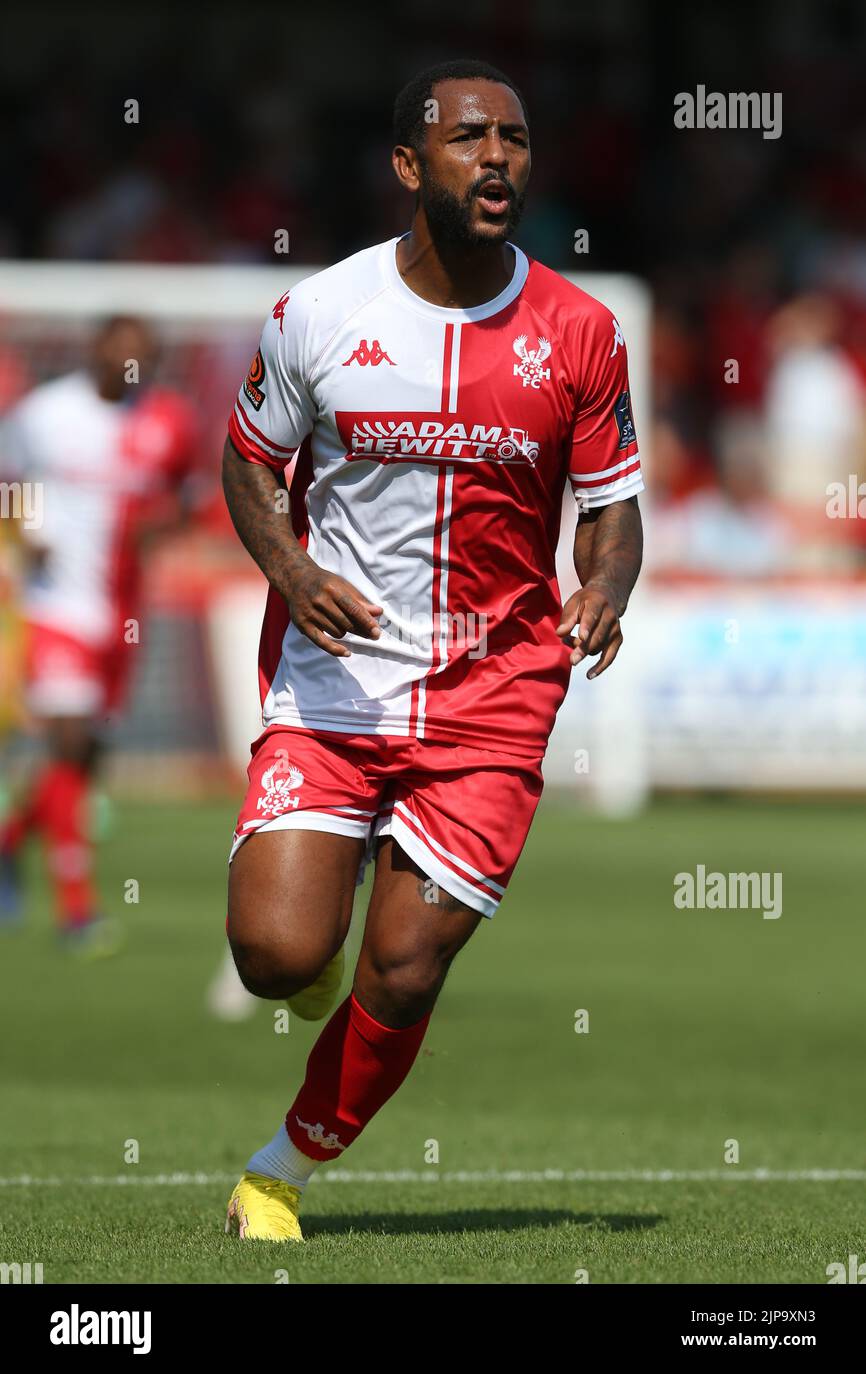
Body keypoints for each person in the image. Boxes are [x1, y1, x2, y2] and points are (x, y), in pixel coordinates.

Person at [222, 60, 643, 1241]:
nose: (498, 157)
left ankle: (278, 1169)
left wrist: (602, 585)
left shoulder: (581, 331)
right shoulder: (319, 312)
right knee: (273, 953)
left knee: (402, 969)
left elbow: (612, 509)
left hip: (496, 688)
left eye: (513, 136)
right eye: (468, 138)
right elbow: (246, 459)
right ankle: (312, 920)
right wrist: (293, 572)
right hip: (338, 678)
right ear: (410, 165)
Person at [0, 317, 198, 951]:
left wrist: (162, 524)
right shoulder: (44, 415)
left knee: (86, 756)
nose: (130, 367)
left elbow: (187, 496)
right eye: (121, 355)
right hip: (54, 604)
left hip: (123, 613)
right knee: (68, 738)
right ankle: (76, 911)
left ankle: (7, 845)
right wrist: (23, 531)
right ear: (95, 353)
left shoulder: (168, 421)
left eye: (143, 357)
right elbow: (6, 484)